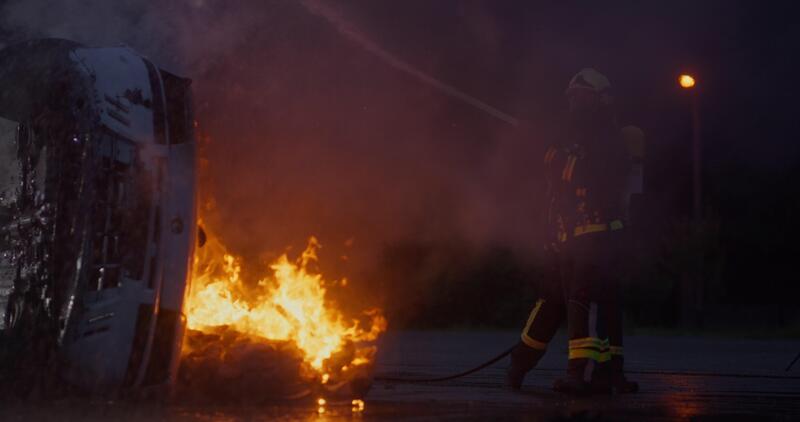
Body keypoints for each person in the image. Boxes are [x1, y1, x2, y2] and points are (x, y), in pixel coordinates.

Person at [506, 68, 639, 395]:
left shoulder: (610, 140)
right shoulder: (572, 136)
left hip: (597, 239)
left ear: (601, 100)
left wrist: (555, 156)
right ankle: (519, 363)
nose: (574, 103)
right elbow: (552, 175)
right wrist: (534, 141)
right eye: (572, 97)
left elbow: (586, 177)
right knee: (553, 300)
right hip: (567, 240)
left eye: (581, 97)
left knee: (586, 302)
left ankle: (587, 373)